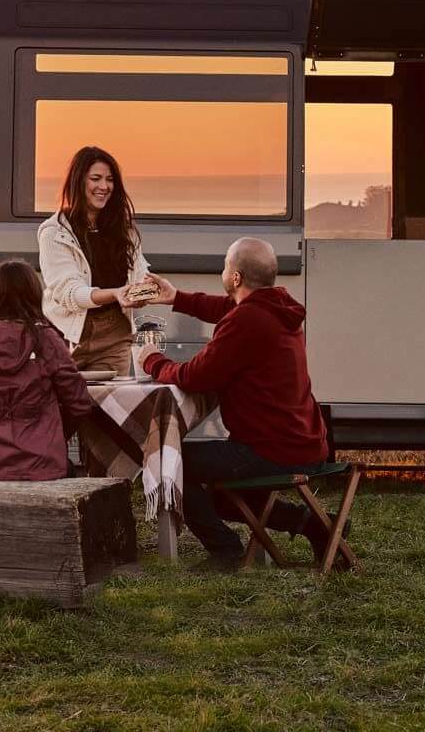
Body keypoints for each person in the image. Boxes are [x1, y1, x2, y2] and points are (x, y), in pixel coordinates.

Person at [139, 238, 337, 569]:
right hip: (304, 442)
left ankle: (225, 550)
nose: (223, 271)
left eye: (226, 265)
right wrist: (176, 298)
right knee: (220, 494)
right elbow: (227, 310)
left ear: (235, 277)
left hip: (270, 449)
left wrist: (152, 361)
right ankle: (315, 525)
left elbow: (194, 377)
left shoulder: (247, 321)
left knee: (167, 459)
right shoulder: (277, 307)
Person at [0, 260, 98, 482]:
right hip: (41, 461)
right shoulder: (46, 339)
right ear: (35, 293)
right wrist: (53, 432)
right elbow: (79, 403)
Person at [39, 145, 162, 374]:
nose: (104, 187)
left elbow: (138, 274)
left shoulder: (124, 230)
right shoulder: (54, 232)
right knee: (65, 407)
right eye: (96, 178)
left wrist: (146, 289)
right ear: (78, 181)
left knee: (111, 408)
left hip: (114, 339)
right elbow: (69, 293)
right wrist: (116, 293)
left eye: (110, 180)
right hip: (66, 338)